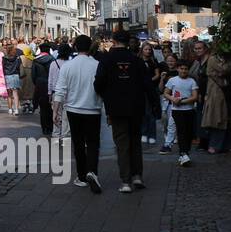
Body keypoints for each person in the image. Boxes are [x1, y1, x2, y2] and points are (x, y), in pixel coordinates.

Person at [94, 29, 156, 192]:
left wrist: (107, 95)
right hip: (136, 105)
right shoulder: (136, 61)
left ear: (114, 41)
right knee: (135, 141)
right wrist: (155, 105)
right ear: (129, 42)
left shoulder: (107, 60)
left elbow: (98, 82)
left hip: (116, 107)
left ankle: (126, 181)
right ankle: (137, 176)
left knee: (122, 143)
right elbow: (148, 85)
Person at [53, 35, 102, 191]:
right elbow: (103, 88)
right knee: (93, 142)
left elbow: (60, 90)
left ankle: (81, 176)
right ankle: (92, 171)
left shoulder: (68, 66)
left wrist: (55, 111)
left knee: (78, 143)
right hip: (93, 109)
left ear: (75, 47)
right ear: (90, 48)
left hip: (73, 110)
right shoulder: (97, 65)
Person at [163, 60, 200, 167]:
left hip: (189, 110)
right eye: (181, 68)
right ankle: (183, 152)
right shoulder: (172, 80)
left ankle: (185, 153)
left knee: (189, 132)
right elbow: (166, 93)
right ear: (178, 69)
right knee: (181, 131)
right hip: (176, 111)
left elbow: (194, 96)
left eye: (185, 69)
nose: (183, 71)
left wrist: (182, 101)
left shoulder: (192, 81)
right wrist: (173, 99)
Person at [202, 46, 231, 154]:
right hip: (217, 93)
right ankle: (215, 145)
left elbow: (223, 72)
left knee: (228, 118)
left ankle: (227, 144)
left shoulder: (220, 59)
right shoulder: (213, 59)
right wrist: (228, 66)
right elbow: (224, 69)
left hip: (226, 92)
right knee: (218, 118)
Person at [1, 38, 22, 115]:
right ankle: (16, 109)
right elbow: (19, 67)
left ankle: (10, 109)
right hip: (15, 75)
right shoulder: (17, 57)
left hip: (8, 75)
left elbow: (3, 67)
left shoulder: (4, 58)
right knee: (15, 93)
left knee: (9, 94)